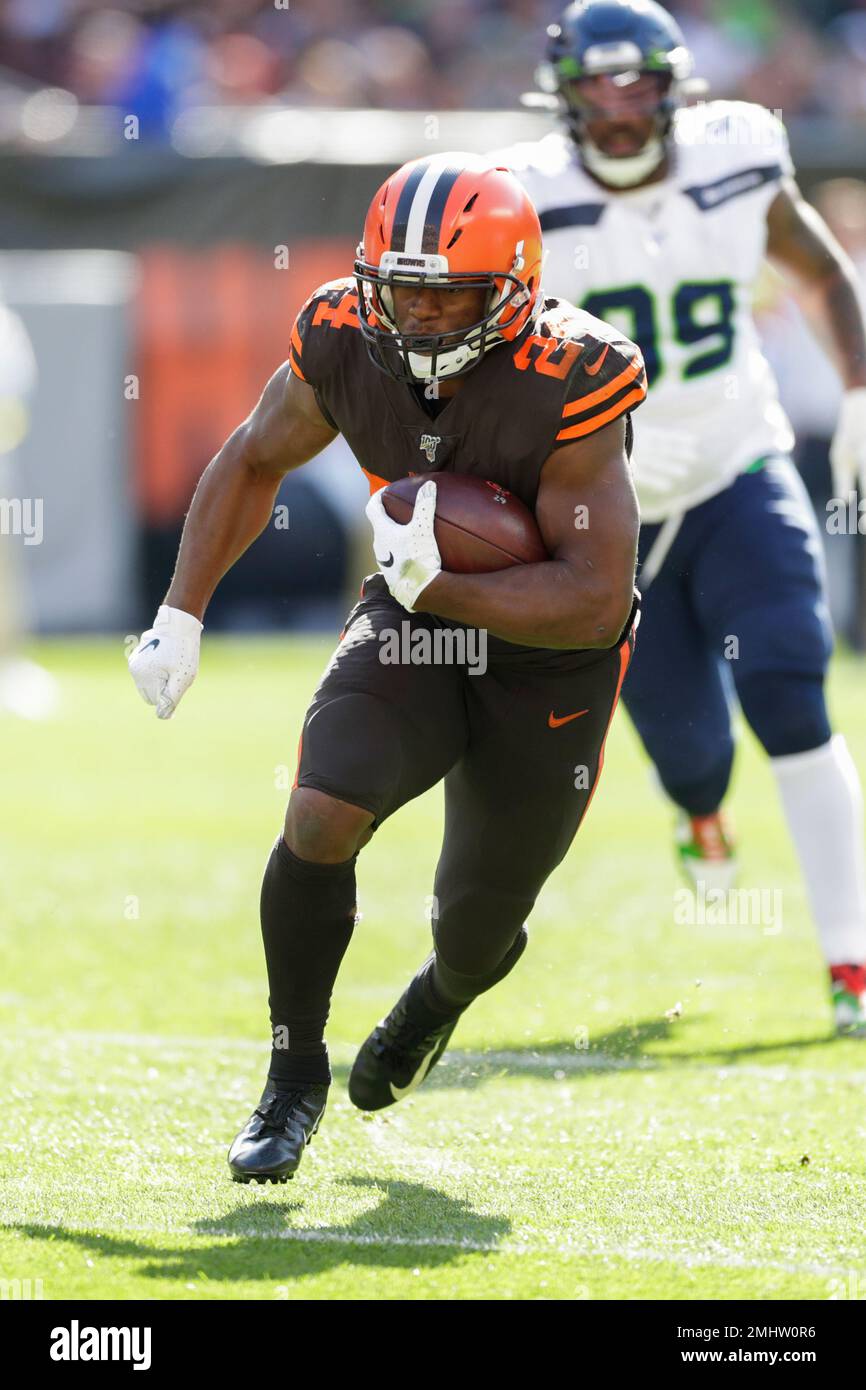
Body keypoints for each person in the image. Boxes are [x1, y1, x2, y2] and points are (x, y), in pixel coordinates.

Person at [128, 151, 645, 1182]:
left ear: (515, 290)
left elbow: (590, 595)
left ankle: (440, 996)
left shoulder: (574, 376)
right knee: (319, 811)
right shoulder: (338, 335)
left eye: (450, 293)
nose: (421, 316)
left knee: (477, 923)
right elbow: (252, 455)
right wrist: (179, 614)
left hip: (550, 661)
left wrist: (440, 582)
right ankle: (290, 1076)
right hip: (412, 617)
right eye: (402, 290)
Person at [498, 0, 866, 1033]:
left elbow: (811, 264)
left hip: (732, 462)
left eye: (637, 85)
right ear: (561, 97)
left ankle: (851, 963)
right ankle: (700, 812)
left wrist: (857, 387)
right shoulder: (526, 196)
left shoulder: (736, 153)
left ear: (673, 87)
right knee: (692, 751)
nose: (618, 110)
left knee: (791, 686)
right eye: (595, 88)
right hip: (606, 514)